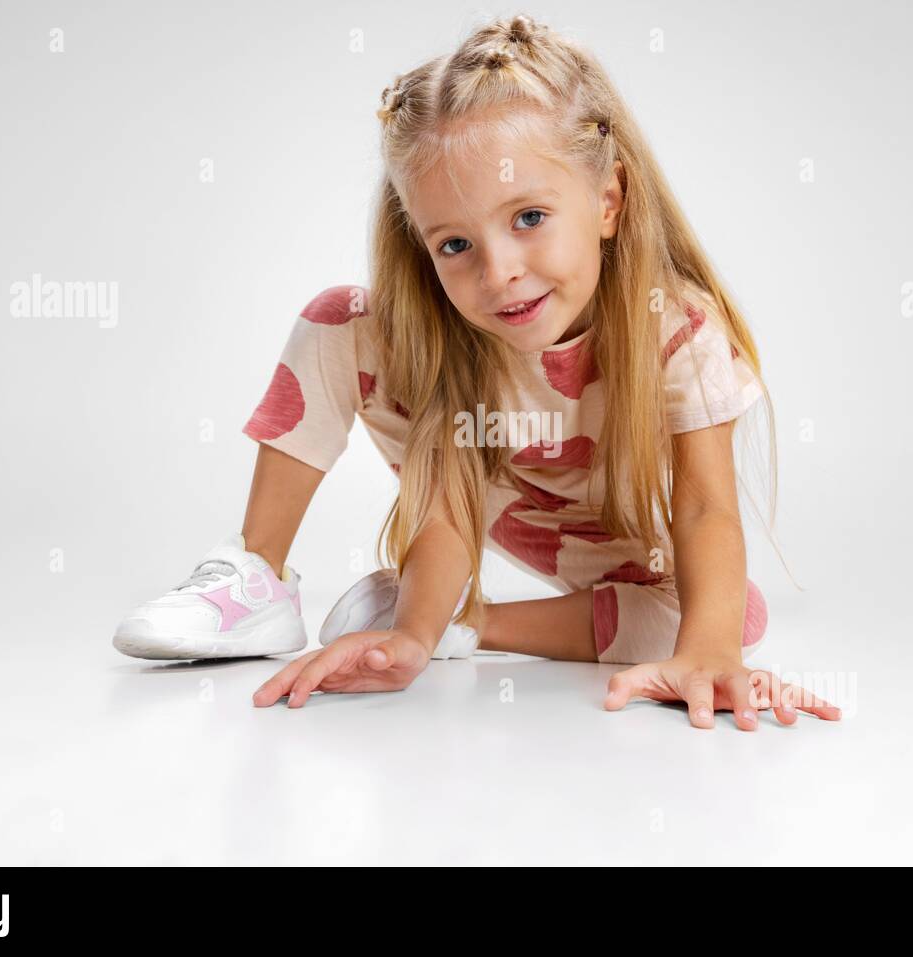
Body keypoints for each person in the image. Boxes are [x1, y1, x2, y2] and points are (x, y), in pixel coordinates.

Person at [112, 14, 841, 732]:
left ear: (608, 200)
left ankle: (473, 621)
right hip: (483, 494)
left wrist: (708, 655)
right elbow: (450, 503)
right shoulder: (447, 331)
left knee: (729, 615)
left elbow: (708, 508)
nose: (500, 275)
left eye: (529, 218)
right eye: (456, 242)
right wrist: (408, 644)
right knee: (338, 315)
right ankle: (257, 575)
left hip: (617, 547)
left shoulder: (675, 327)